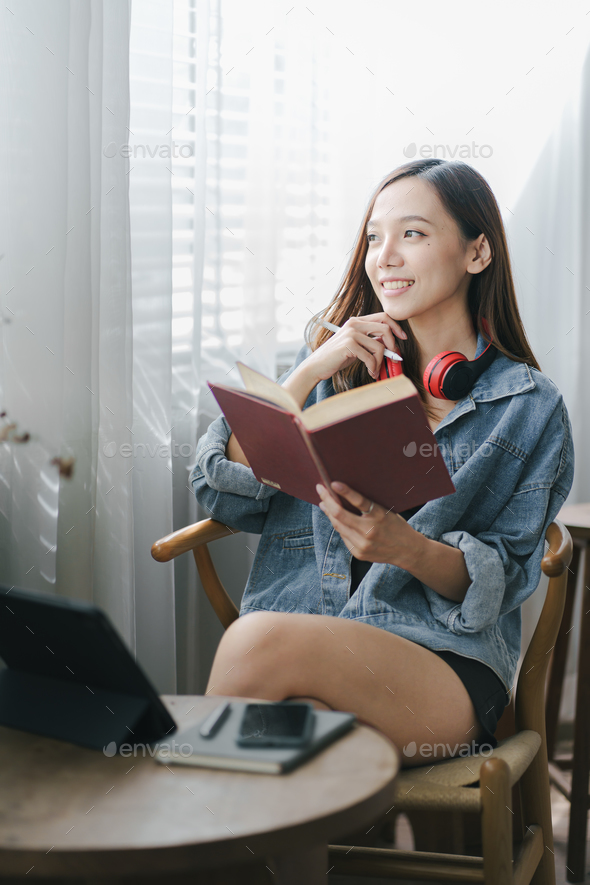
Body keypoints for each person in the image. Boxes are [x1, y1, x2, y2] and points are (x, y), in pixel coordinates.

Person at [190, 158, 574, 767]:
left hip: (439, 664)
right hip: (313, 639)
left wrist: (404, 547)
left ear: (477, 254)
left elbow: (504, 579)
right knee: (272, 749)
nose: (384, 256)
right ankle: (226, 860)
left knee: (256, 640)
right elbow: (226, 493)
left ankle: (172, 845)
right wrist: (312, 366)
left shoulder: (528, 407)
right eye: (374, 236)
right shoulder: (335, 368)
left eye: (412, 234)